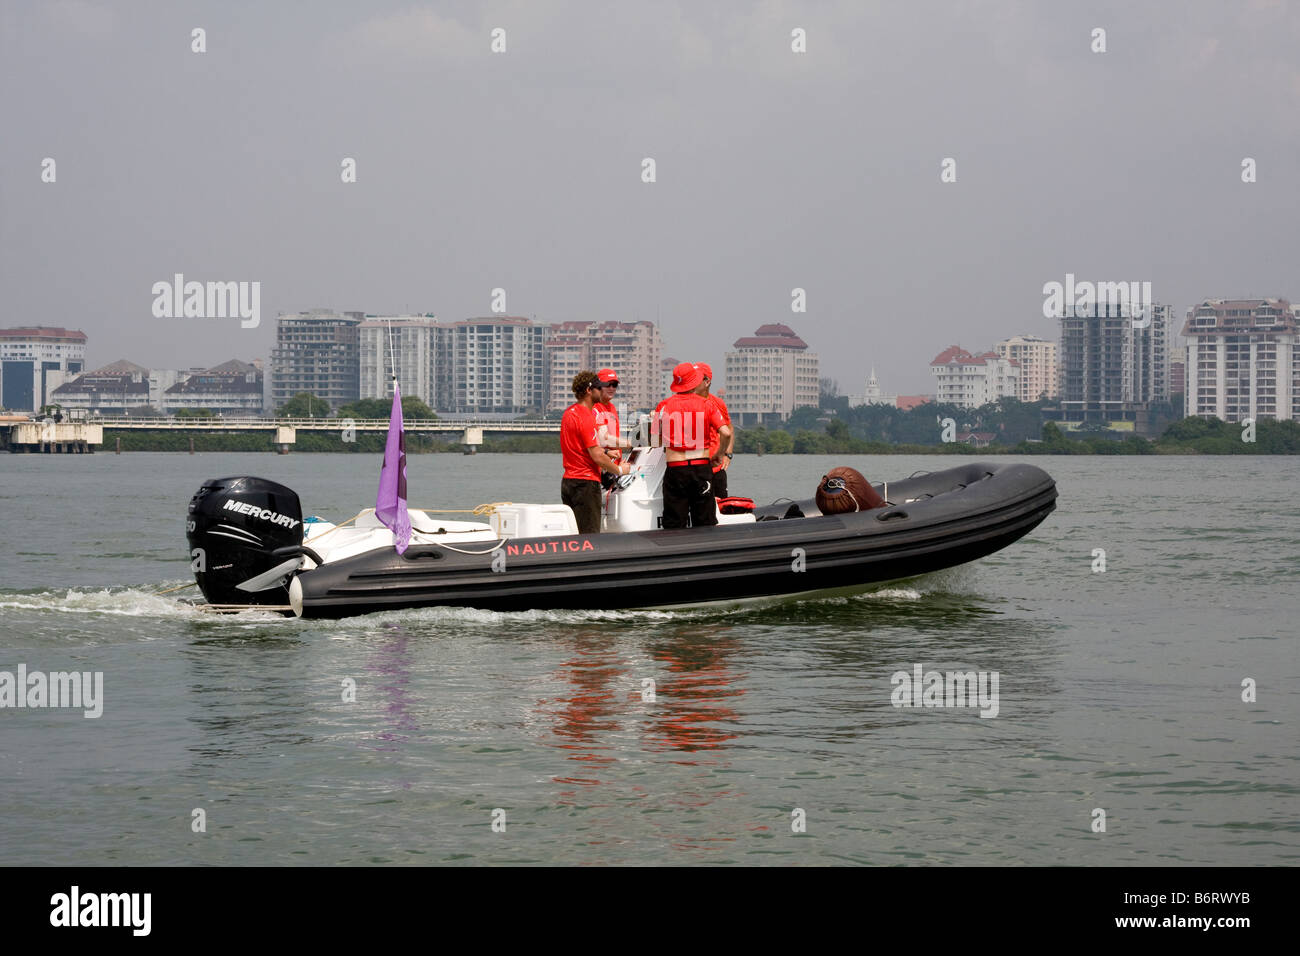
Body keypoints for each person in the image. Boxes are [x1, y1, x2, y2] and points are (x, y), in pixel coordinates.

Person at [653, 362, 731, 529]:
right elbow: (726, 432)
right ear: (694, 381)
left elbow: (654, 441)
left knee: (674, 523)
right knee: (705, 521)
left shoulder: (663, 406)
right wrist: (720, 453)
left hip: (675, 469)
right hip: (701, 468)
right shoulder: (707, 404)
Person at [562, 370, 630, 534]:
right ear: (589, 390)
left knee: (575, 534)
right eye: (600, 388)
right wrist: (620, 470)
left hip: (569, 482)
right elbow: (596, 455)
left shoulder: (569, 413)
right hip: (585, 483)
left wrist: (605, 452)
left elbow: (581, 448)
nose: (604, 390)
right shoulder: (586, 416)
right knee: (590, 536)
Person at [697, 363, 734, 500]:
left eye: (696, 378)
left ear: (707, 382)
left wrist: (727, 454)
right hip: (696, 470)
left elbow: (729, 429)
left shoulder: (718, 403)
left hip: (716, 469)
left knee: (722, 505)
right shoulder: (686, 401)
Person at [592, 368, 626, 489]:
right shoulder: (595, 408)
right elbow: (604, 439)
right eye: (608, 384)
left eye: (614, 385)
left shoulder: (612, 407)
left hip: (614, 469)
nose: (611, 388)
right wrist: (631, 444)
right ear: (598, 386)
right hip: (601, 471)